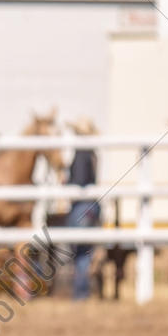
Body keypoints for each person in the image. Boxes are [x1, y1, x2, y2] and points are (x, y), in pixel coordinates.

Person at [65, 118, 101, 300]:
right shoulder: (91, 153)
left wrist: (66, 183)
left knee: (79, 250)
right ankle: (83, 291)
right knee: (84, 250)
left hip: (82, 206)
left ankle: (80, 293)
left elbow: (78, 181)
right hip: (90, 206)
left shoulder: (81, 153)